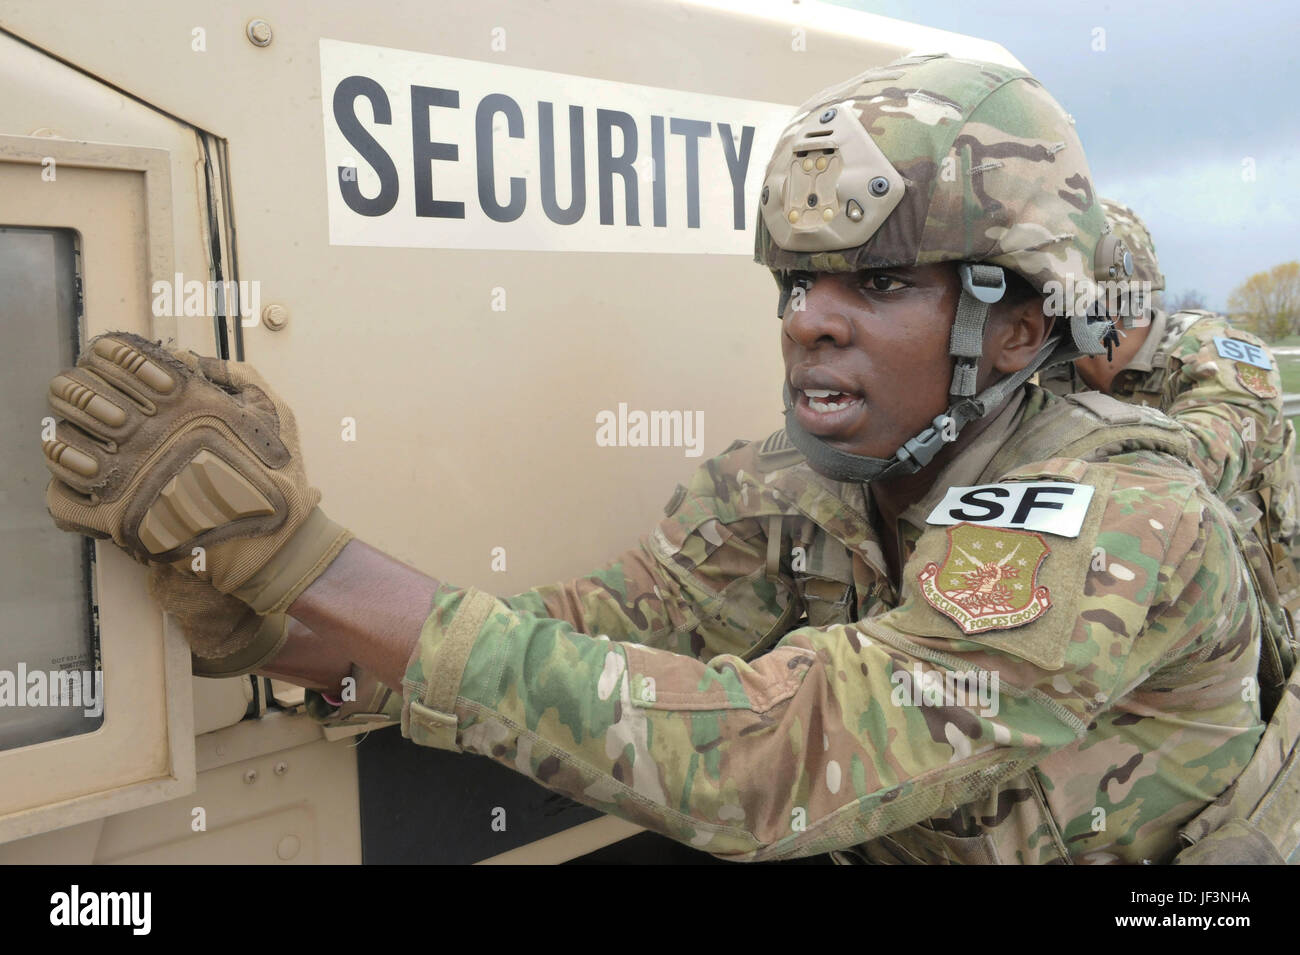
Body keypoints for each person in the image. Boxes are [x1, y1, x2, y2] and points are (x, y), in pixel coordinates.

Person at [40, 55, 1289, 864]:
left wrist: (316, 562)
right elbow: (561, 635)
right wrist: (265, 611)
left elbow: (778, 760)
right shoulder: (787, 490)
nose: (810, 316)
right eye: (800, 280)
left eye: (882, 279)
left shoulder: (1115, 507)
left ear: (1015, 324)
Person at [1042, 198, 1299, 715]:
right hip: (1122, 618)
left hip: (1264, 617)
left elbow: (1201, 467)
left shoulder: (1214, 351)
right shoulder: (1048, 369)